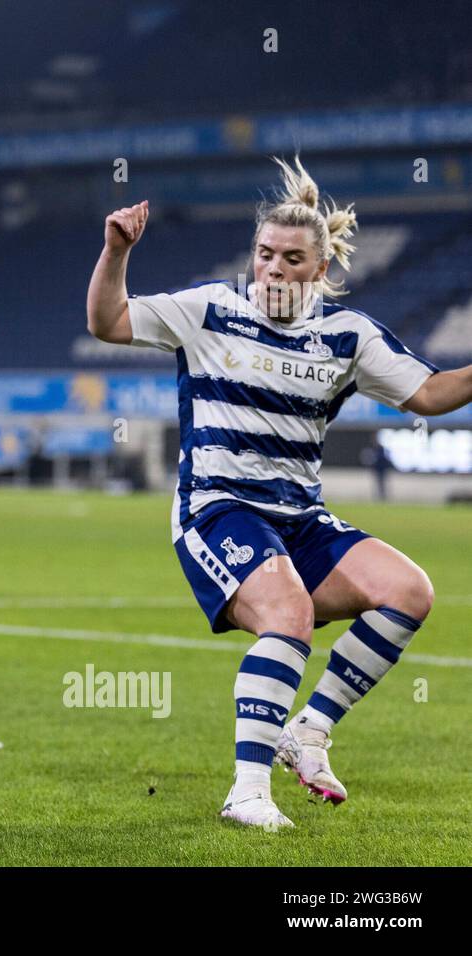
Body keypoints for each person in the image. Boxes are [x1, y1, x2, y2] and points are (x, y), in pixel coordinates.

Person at [86, 157, 472, 830]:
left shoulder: (346, 337)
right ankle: (246, 792)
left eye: (292, 259)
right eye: (265, 254)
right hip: (218, 509)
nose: (273, 269)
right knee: (288, 610)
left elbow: (433, 393)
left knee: (409, 591)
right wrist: (116, 251)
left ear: (319, 271)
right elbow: (108, 321)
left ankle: (309, 732)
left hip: (300, 517)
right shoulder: (210, 311)